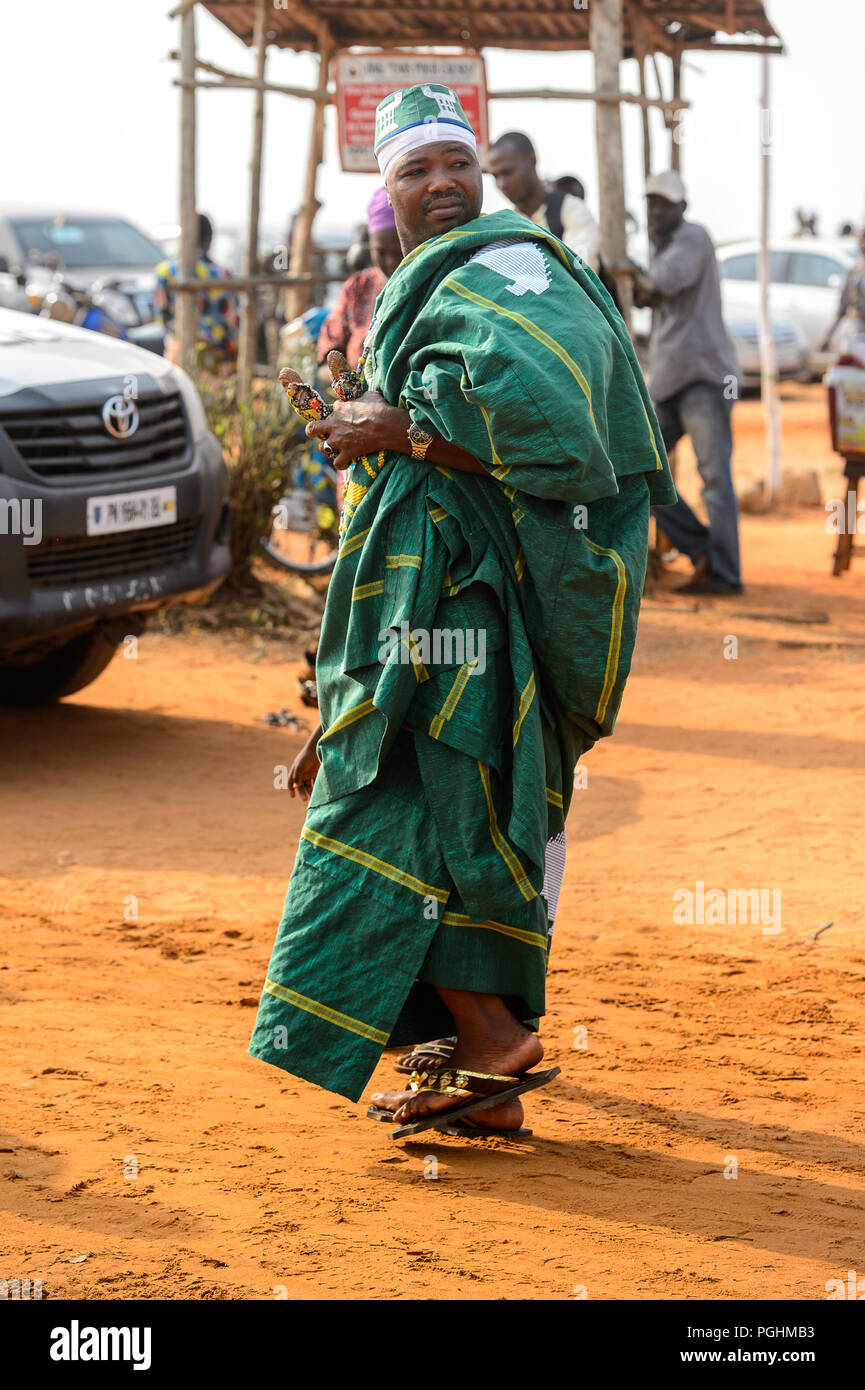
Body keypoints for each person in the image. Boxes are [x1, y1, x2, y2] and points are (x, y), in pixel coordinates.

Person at [248, 84, 675, 1138]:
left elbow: (568, 444)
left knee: (403, 801)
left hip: (469, 601)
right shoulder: (423, 283)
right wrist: (371, 427)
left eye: (455, 163)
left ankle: (488, 1033)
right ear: (384, 191)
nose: (440, 184)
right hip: (419, 591)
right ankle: (470, 1081)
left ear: (483, 175)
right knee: (462, 813)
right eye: (415, 170)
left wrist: (400, 430)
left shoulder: (519, 270)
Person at [634, 171, 743, 595]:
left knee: (714, 479)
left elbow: (657, 286)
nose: (655, 211)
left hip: (704, 377)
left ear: (682, 207)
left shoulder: (693, 238)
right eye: (651, 204)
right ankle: (701, 550)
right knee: (644, 469)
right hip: (672, 381)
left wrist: (621, 269)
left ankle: (725, 574)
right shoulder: (662, 245)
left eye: (664, 204)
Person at [317, 188, 403, 374]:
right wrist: (352, 387)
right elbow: (327, 359)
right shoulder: (358, 286)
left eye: (399, 252)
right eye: (380, 252)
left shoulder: (432, 285)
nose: (390, 261)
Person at [487, 131, 599, 272]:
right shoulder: (504, 225)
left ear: (531, 161)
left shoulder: (572, 210)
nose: (501, 184)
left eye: (508, 172)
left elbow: (582, 269)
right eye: (495, 176)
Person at [154, 213, 238, 371]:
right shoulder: (223, 275)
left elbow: (161, 318)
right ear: (209, 239)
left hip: (178, 355)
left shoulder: (165, 272)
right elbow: (231, 320)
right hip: (215, 358)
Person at [821, 227, 865, 363]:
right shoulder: (855, 271)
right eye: (862, 240)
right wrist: (827, 337)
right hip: (858, 331)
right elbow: (843, 307)